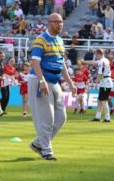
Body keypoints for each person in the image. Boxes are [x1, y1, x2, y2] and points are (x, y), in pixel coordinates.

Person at [28, 13, 75, 161]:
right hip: (41, 79)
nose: (60, 24)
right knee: (47, 117)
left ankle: (38, 144)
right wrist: (41, 80)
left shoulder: (60, 40)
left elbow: (62, 64)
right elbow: (35, 61)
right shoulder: (41, 39)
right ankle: (46, 151)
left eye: (61, 22)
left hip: (55, 81)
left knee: (61, 117)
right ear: (50, 23)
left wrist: (70, 82)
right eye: (57, 22)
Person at [85, 49, 112, 123]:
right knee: (100, 100)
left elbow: (100, 73)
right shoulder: (106, 60)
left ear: (99, 54)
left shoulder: (101, 61)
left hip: (105, 82)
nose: (96, 56)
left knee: (104, 101)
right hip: (106, 81)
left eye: (96, 55)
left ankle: (107, 117)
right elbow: (94, 63)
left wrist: (96, 83)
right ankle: (97, 117)